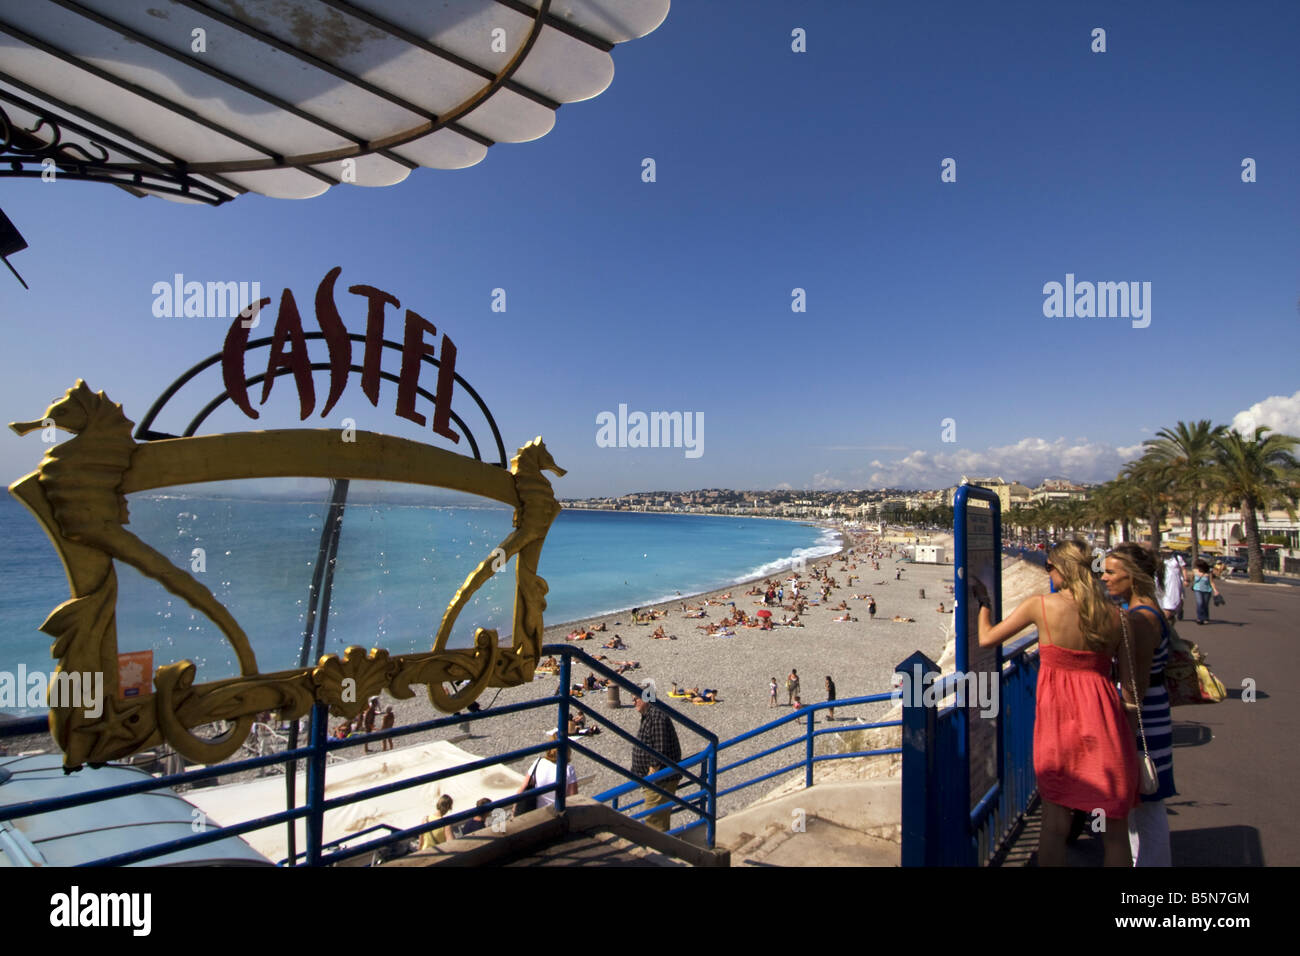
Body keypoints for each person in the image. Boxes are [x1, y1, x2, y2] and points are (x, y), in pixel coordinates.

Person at [975, 539, 1140, 866]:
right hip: (1106, 720)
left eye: (1050, 567)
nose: (1048, 571)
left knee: (1055, 824)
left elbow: (987, 638)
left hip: (1059, 722)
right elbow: (1130, 686)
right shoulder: (1118, 617)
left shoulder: (1042, 605)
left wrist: (983, 604)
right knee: (1115, 829)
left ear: (1063, 569)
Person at [1103, 544, 1177, 866]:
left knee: (1147, 801)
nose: (1103, 578)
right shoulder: (1148, 611)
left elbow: (1137, 683)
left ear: (1132, 578)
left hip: (1145, 718)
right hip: (1154, 712)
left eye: (1110, 572)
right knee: (1142, 802)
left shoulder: (1141, 619)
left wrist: (1125, 728)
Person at [632, 686, 682, 831]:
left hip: (660, 780)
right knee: (656, 817)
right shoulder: (649, 715)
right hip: (655, 779)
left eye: (636, 699)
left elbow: (660, 748)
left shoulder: (656, 717)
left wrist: (652, 773)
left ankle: (657, 851)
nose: (634, 702)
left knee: (654, 820)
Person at [516, 731, 578, 810]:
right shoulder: (568, 769)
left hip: (537, 812)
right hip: (558, 814)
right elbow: (573, 799)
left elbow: (523, 788)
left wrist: (515, 811)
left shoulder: (538, 762)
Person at [1160, 551, 1186, 624]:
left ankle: (1178, 609)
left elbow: (1183, 569)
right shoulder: (1161, 559)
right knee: (1166, 602)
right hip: (1165, 582)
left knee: (1178, 598)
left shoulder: (1177, 558)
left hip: (1175, 582)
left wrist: (1186, 579)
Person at [1191, 559, 1220, 624]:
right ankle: (1199, 618)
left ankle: (1205, 617)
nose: (1198, 568)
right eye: (1197, 566)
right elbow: (1192, 579)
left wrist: (1215, 590)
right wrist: (1190, 583)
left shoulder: (1209, 573)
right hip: (1197, 589)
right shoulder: (1194, 571)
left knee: (1205, 605)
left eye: (1199, 566)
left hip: (1207, 590)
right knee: (1200, 603)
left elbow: (1211, 582)